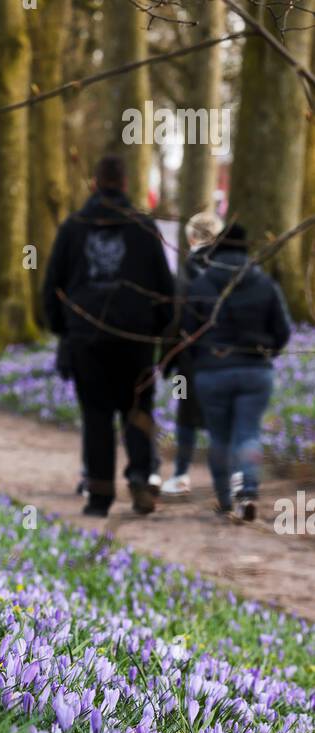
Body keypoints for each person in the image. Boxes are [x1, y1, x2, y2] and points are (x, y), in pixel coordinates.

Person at [42, 153, 175, 517]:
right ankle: (140, 478)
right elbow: (165, 288)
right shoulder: (144, 228)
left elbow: (52, 286)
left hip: (87, 340)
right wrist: (166, 335)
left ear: (94, 184)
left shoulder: (73, 228)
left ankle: (100, 496)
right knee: (138, 413)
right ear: (127, 184)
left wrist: (62, 329)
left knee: (96, 418)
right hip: (135, 341)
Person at [181, 222, 291, 522]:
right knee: (248, 434)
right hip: (255, 371)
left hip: (212, 373)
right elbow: (282, 331)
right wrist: (269, 353)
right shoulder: (265, 284)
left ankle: (225, 499)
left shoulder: (201, 286)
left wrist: (200, 361)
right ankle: (247, 492)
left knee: (219, 437)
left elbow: (187, 333)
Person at [159, 211, 224, 497]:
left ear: (192, 238)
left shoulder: (183, 274)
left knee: (186, 417)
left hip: (188, 360)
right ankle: (231, 478)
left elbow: (172, 319)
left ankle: (181, 474)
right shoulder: (232, 271)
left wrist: (166, 359)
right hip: (225, 359)